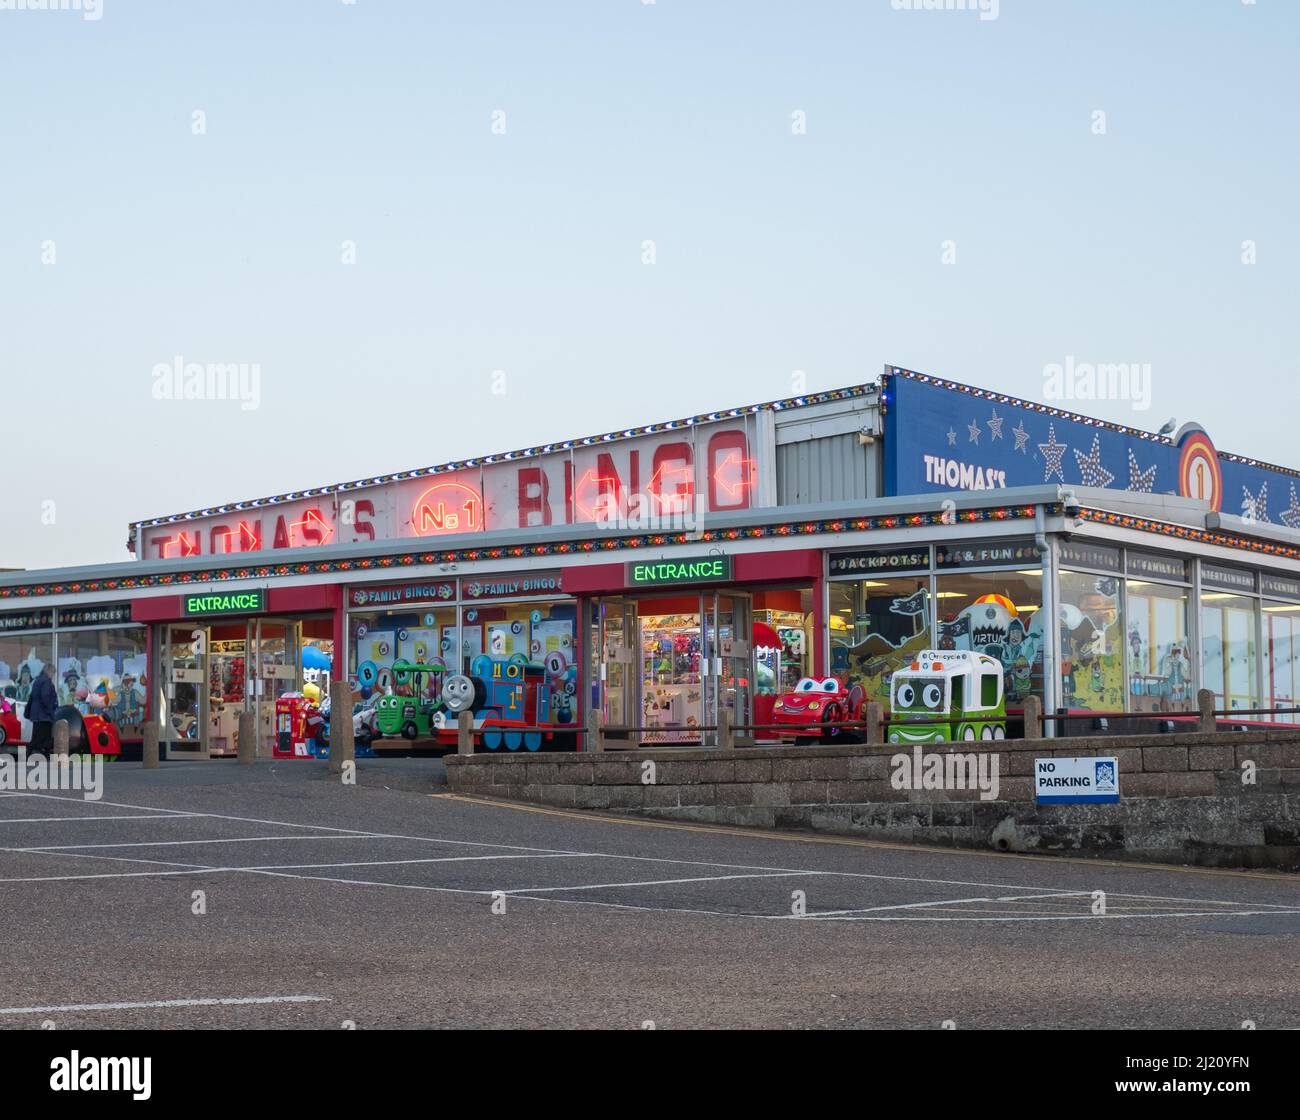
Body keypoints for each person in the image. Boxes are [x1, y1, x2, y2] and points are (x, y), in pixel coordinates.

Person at [26, 663, 58, 757]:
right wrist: (50, 711)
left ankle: (45, 755)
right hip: (44, 715)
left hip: (36, 714)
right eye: (53, 673)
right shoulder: (46, 682)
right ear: (49, 671)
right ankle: (36, 753)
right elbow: (45, 697)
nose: (53, 675)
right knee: (42, 737)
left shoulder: (37, 681)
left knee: (39, 736)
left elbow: (33, 697)